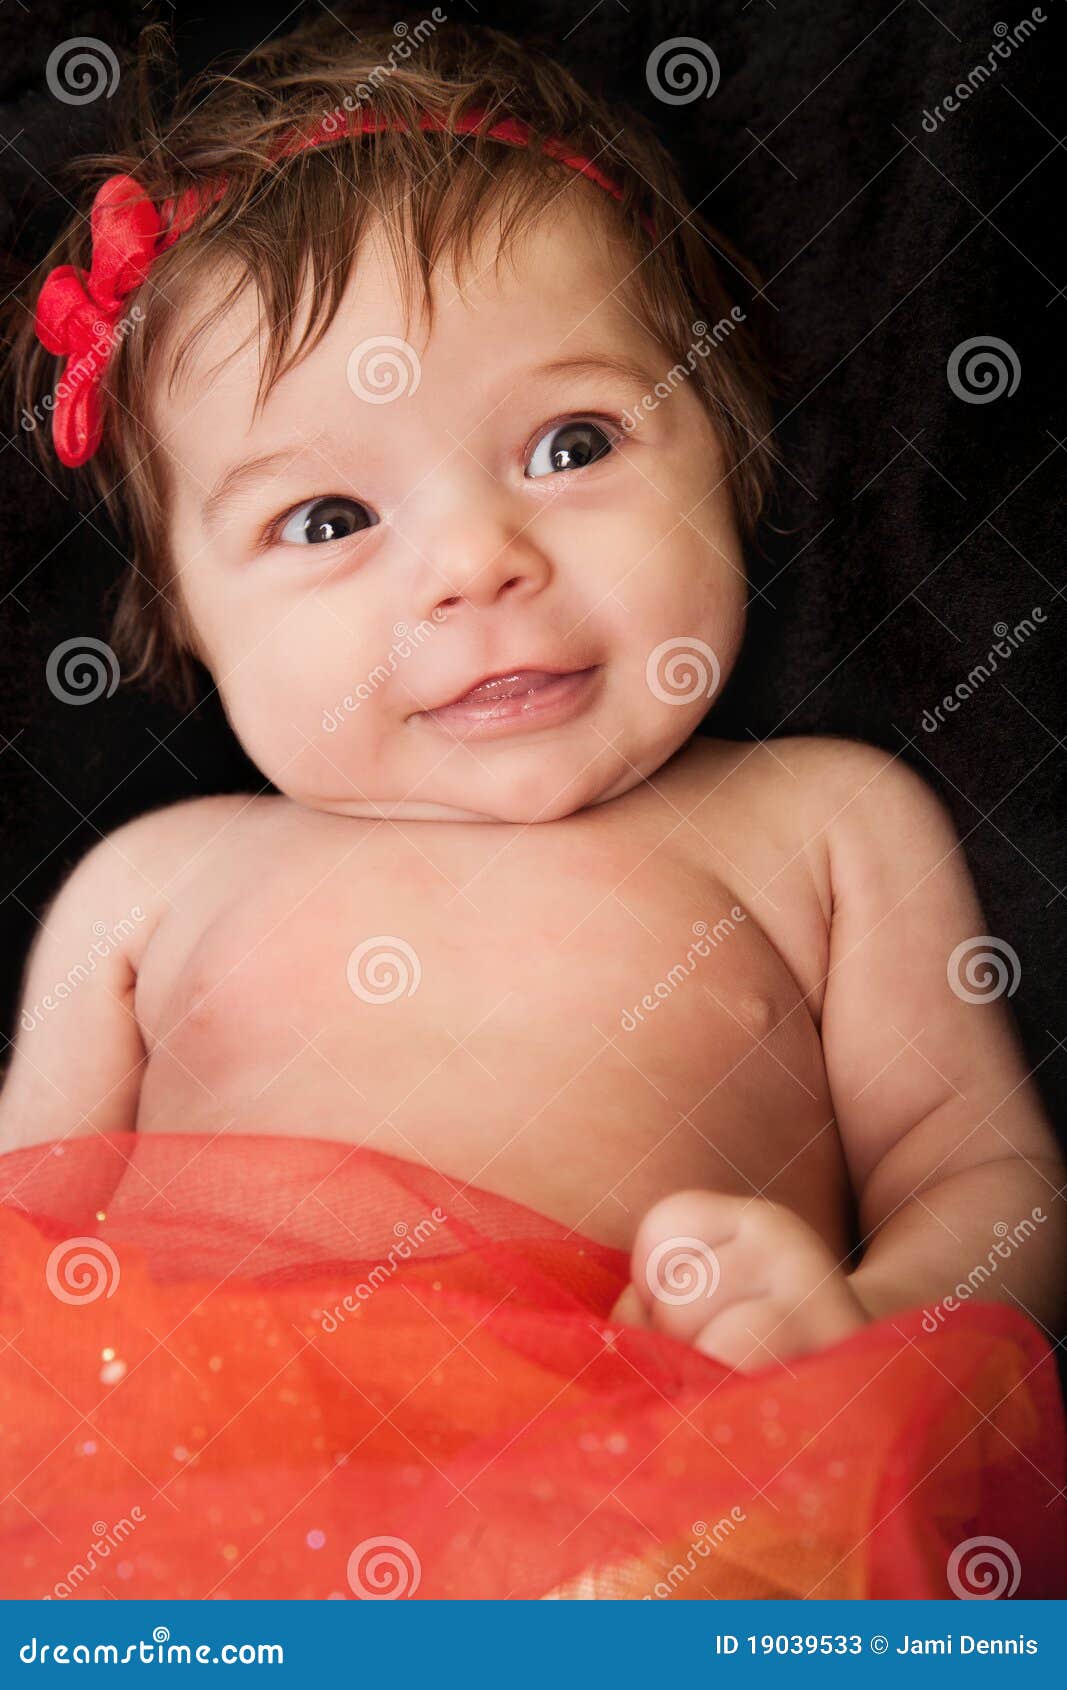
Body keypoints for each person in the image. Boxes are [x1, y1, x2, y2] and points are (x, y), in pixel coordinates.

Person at [0, 15, 1062, 1599]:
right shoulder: (151, 888)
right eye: (329, 515)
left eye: (573, 444)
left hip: (672, 1483)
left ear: (729, 447)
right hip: (176, 1511)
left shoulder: (823, 825)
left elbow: (990, 1178)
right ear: (181, 618)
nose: (474, 560)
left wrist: (847, 1332)